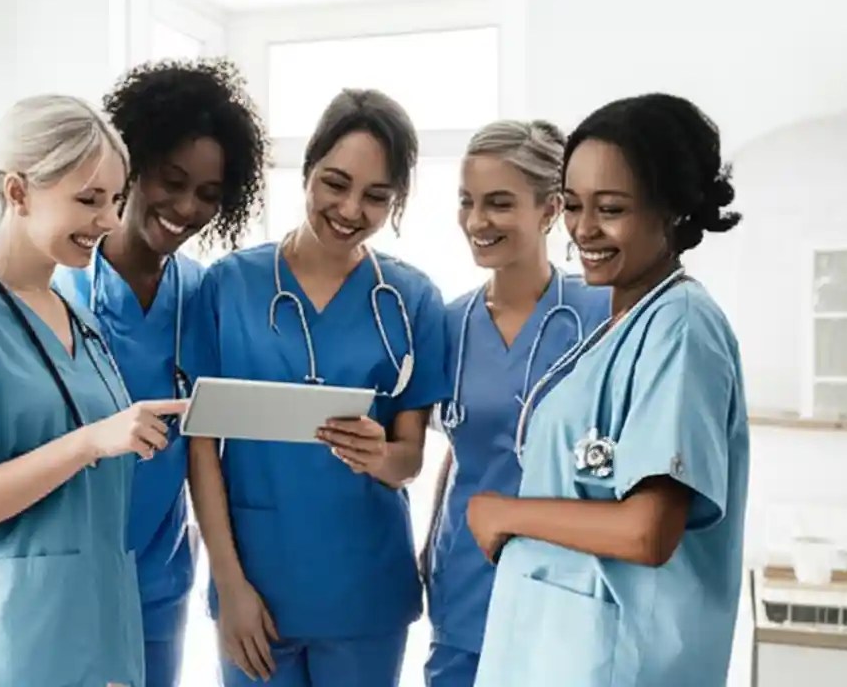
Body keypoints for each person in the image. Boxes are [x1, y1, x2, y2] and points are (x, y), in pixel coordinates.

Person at [0, 95, 187, 687]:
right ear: (18, 192)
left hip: (98, 644)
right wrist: (90, 443)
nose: (108, 220)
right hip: (6, 645)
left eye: (114, 200)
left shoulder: (81, 324)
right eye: (88, 199)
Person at [467, 93, 747, 687]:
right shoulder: (623, 325)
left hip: (615, 662)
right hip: (560, 652)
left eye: (611, 208)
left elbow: (648, 530)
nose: (584, 228)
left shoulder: (683, 328)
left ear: (670, 210)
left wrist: (504, 514)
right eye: (572, 204)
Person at [184, 88, 449, 687]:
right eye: (335, 183)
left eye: (376, 196)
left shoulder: (411, 300)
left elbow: (410, 457)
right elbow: (201, 444)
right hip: (255, 586)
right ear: (306, 171)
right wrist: (229, 585)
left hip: (364, 591)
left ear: (396, 202)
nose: (351, 208)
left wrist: (381, 456)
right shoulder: (228, 287)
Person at [52, 57, 268, 687]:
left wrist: (226, 580)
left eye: (208, 194)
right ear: (133, 166)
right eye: (170, 181)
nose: (186, 208)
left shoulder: (199, 295)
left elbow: (206, 442)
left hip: (160, 577)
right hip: (68, 577)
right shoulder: (60, 292)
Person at [422, 120, 610, 687]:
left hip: (565, 583)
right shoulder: (448, 323)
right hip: (464, 579)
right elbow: (461, 449)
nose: (477, 221)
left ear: (551, 210)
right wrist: (430, 549)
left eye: (499, 203)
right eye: (467, 202)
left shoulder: (600, 316)